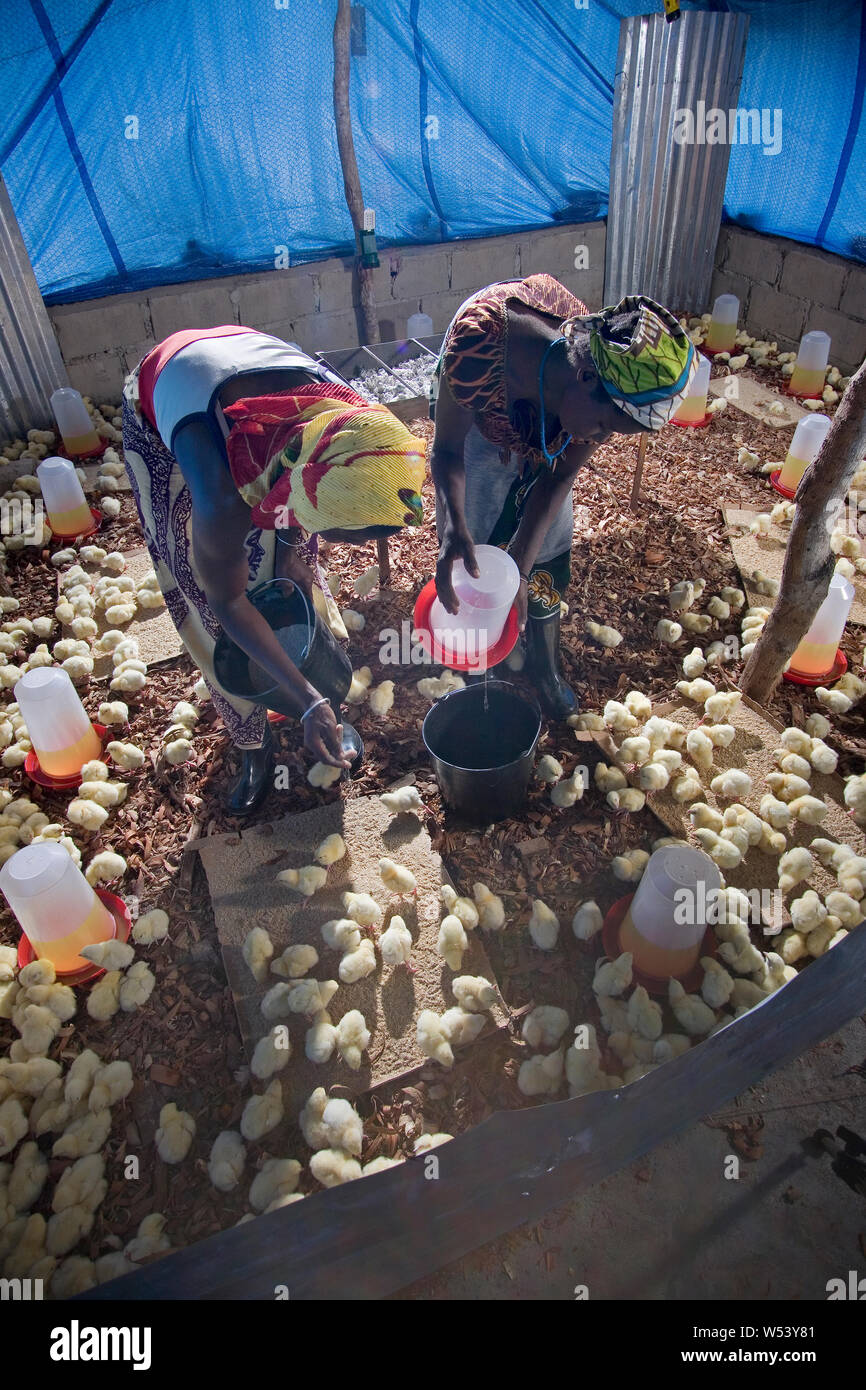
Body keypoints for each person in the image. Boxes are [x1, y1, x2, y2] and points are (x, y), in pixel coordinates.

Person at [121, 326, 426, 813]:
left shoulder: (351, 425)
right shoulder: (220, 495)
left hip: (251, 392)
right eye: (335, 530)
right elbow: (227, 600)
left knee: (292, 571)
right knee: (204, 598)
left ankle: (316, 695)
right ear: (304, 498)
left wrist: (290, 546)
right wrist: (306, 699)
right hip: (177, 411)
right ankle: (254, 742)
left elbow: (298, 479)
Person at [429, 276, 697, 717]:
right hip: (482, 432)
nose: (601, 439)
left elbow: (559, 476)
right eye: (605, 427)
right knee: (473, 548)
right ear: (586, 375)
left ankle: (544, 663)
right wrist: (453, 524)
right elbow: (446, 451)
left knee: (547, 545)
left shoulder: (598, 387)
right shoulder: (477, 348)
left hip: (549, 435)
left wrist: (520, 565)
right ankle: (481, 662)